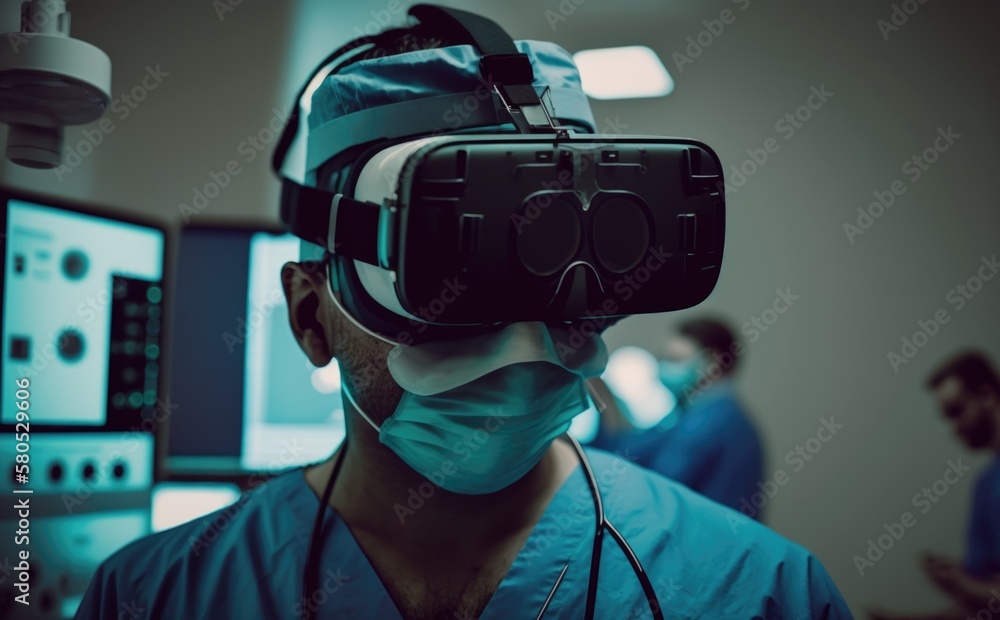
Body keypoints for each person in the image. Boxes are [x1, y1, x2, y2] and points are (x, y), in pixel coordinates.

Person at [75, 10, 850, 620]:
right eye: (453, 272)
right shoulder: (160, 596)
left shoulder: (760, 596)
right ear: (312, 317)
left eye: (549, 268)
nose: (522, 342)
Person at [590, 317, 765, 517]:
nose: (663, 368)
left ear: (712, 364)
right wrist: (606, 400)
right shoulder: (690, 416)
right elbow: (630, 450)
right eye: (662, 358)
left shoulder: (712, 424)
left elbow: (655, 489)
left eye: (675, 359)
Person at [869, 351, 1000, 620]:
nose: (954, 429)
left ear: (986, 396)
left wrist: (961, 583)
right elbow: (983, 609)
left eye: (957, 411)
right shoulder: (985, 486)